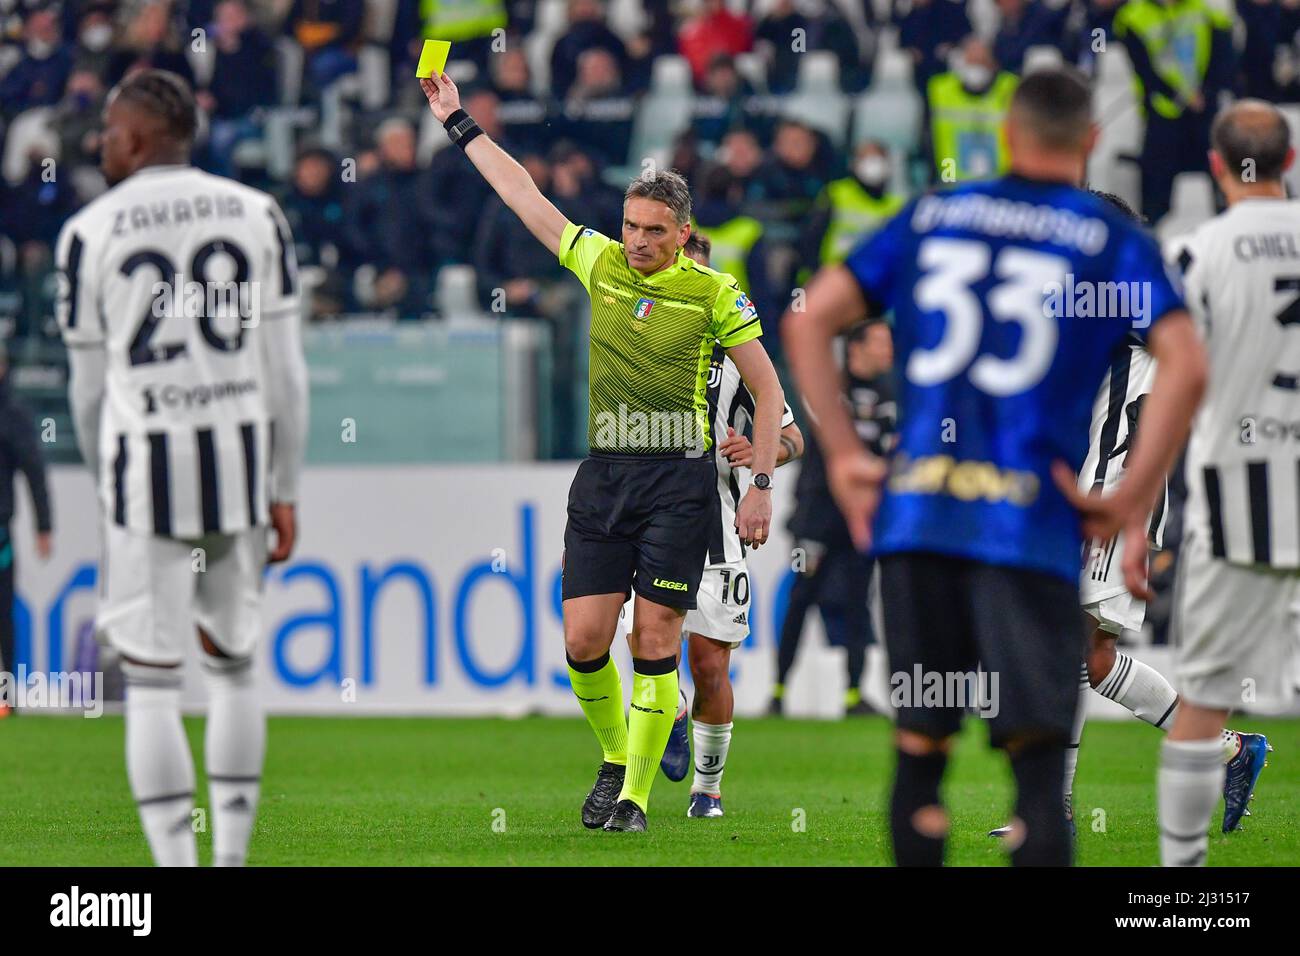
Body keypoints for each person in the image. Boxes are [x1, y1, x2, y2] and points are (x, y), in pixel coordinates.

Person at [783, 66, 1208, 866]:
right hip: (1031, 522)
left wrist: (841, 456)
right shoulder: (1106, 237)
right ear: (1090, 142)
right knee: (1038, 775)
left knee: (920, 757)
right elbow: (1186, 364)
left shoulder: (936, 213)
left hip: (920, 517)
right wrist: (1131, 503)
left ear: (1004, 136)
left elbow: (808, 318)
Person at [420, 69, 785, 832]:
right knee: (585, 643)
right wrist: (458, 122)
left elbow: (771, 390)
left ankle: (635, 800)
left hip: (679, 482)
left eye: (655, 230)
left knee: (656, 643)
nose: (639, 241)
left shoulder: (717, 294)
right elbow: (522, 194)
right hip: (604, 475)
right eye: (631, 226)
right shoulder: (601, 264)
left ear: (682, 232)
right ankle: (618, 754)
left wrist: (758, 484)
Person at [54, 69, 309, 866]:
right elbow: (287, 373)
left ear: (135, 137)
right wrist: (285, 487)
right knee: (234, 670)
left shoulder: (89, 233)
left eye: (106, 131)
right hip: (237, 463)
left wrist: (106, 481)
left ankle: (175, 867)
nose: (99, 144)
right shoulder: (256, 212)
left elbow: (89, 389)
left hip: (143, 468)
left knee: (155, 682)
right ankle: (228, 859)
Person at [989, 190, 1262, 840]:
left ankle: (1051, 806)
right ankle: (1228, 749)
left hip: (1115, 489)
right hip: (1079, 488)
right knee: (1090, 655)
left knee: (1072, 647)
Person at [1151, 100, 1300, 866]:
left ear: (1216, 165)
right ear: (1291, 160)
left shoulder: (1193, 253)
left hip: (1237, 498)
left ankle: (1185, 887)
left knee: (1204, 700)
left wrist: (1130, 503)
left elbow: (1172, 385)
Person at [651, 232, 803, 818]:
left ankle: (708, 789)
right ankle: (672, 710)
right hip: (649, 512)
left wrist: (758, 458)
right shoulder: (639, 343)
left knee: (711, 664)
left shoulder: (740, 357)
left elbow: (793, 437)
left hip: (717, 523)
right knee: (648, 639)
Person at [770, 319, 895, 718]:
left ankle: (855, 693)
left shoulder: (890, 395)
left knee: (859, 602)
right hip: (816, 521)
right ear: (856, 347)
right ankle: (778, 691)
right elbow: (822, 461)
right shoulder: (830, 389)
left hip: (860, 522)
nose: (887, 350)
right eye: (880, 341)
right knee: (801, 599)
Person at [1112, 0, 1233, 225]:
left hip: (1205, 112)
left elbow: (1225, 58)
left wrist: (1206, 91)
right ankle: (1153, 234)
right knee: (1156, 187)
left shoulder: (1207, 11)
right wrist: (1180, 96)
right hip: (1161, 112)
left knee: (1216, 177)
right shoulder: (1132, 15)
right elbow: (1142, 68)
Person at [0, 343, 54, 716]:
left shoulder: (13, 415)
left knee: (3, 615)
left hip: (0, 533)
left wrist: (44, 526)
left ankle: (5, 695)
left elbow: (34, 470)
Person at [925, 36, 1018, 184]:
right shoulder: (941, 91)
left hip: (999, 187)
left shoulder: (1010, 88)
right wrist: (949, 182)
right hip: (956, 186)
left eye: (981, 62)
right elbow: (939, 142)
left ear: (993, 63)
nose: (976, 68)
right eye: (971, 62)